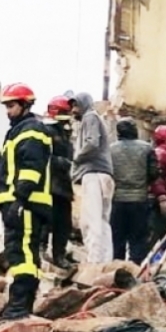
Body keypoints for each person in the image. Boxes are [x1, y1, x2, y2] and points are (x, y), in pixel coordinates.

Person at [0, 84, 54, 321]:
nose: (8, 111)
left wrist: (19, 199)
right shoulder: (19, 131)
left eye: (12, 105)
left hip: (26, 203)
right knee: (19, 254)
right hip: (19, 202)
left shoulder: (32, 130)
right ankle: (19, 303)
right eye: (6, 106)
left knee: (23, 254)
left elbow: (31, 169)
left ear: (25, 105)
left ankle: (21, 305)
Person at [69, 92, 115, 264]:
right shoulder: (93, 118)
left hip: (94, 174)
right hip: (104, 175)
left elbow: (92, 142)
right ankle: (104, 261)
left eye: (76, 106)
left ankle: (94, 262)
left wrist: (76, 157)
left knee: (90, 221)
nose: (74, 110)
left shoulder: (90, 117)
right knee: (103, 222)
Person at [109, 118, 158, 262]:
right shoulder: (147, 148)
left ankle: (117, 271)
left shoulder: (111, 149)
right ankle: (135, 270)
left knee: (117, 239)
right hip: (139, 200)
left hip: (117, 200)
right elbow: (154, 173)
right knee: (138, 239)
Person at [44, 96, 77, 267]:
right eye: (66, 112)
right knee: (45, 220)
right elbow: (42, 156)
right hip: (49, 183)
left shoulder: (64, 133)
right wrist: (58, 161)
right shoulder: (46, 130)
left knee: (63, 223)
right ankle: (42, 252)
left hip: (62, 185)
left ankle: (59, 255)